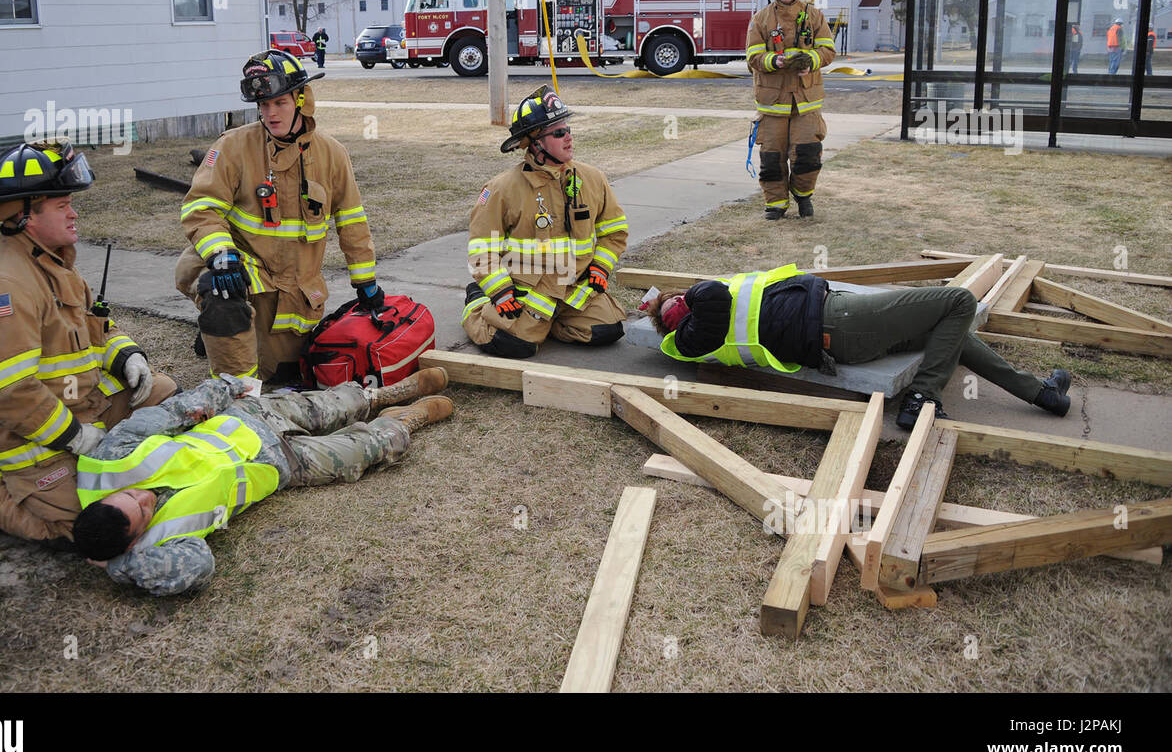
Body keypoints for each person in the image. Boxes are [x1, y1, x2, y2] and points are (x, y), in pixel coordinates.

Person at [0, 144, 176, 544]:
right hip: (33, 439)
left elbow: (97, 329)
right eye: (62, 205)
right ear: (24, 216)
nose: (73, 213)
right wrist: (75, 437)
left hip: (83, 406)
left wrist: (128, 356)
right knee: (87, 527)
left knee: (165, 393)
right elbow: (8, 393)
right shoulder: (2, 287)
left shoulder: (54, 263)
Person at [71, 369, 452, 595]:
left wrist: (228, 387)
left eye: (130, 496)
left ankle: (384, 394)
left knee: (339, 404)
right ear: (135, 540)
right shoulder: (161, 545)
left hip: (249, 415)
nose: (143, 497)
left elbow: (175, 410)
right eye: (142, 512)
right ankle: (405, 419)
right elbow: (196, 569)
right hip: (282, 465)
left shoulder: (110, 460)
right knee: (368, 450)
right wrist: (120, 566)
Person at [644, 266, 1073, 430]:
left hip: (841, 329)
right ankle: (924, 394)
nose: (678, 306)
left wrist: (669, 301)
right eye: (672, 309)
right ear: (669, 327)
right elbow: (714, 295)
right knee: (958, 302)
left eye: (677, 301)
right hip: (841, 321)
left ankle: (1040, 393)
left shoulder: (698, 327)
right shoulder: (690, 335)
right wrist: (682, 295)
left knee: (949, 331)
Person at [176, 50, 382, 383]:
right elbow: (201, 207)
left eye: (279, 103)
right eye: (263, 106)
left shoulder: (332, 154)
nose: (270, 114)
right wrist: (221, 256)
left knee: (283, 373)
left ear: (302, 99)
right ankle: (237, 396)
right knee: (221, 295)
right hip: (245, 273)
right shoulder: (233, 147)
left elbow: (351, 222)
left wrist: (366, 283)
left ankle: (223, 334)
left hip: (295, 298)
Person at [462, 85, 628, 358]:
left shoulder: (593, 179)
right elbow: (482, 248)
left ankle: (547, 324)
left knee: (607, 331)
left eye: (568, 130)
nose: (568, 138)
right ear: (535, 142)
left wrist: (600, 266)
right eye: (559, 132)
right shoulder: (502, 189)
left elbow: (614, 231)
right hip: (528, 290)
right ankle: (477, 302)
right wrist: (500, 291)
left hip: (575, 289)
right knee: (513, 346)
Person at [745, 0, 837, 220]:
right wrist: (775, 61)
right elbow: (752, 57)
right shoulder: (760, 20)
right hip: (773, 104)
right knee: (772, 158)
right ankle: (775, 204)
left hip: (805, 102)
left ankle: (803, 197)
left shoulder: (814, 16)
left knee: (808, 155)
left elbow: (828, 50)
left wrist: (811, 61)